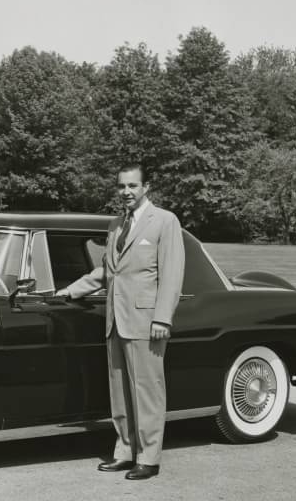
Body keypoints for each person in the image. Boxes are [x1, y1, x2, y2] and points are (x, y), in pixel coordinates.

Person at [55, 162, 185, 480]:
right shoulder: (116, 224)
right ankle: (125, 452)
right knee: (120, 392)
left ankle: (149, 458)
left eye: (132, 186)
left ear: (146, 188)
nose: (126, 192)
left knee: (147, 391)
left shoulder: (164, 221)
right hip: (115, 321)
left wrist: (163, 318)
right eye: (121, 186)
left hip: (146, 321)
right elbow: (106, 272)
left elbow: (172, 275)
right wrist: (70, 291)